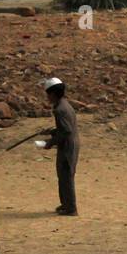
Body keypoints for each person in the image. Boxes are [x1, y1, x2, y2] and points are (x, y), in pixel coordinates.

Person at [38, 77, 79, 216]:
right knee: (63, 176)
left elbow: (66, 131)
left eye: (48, 94)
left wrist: (50, 142)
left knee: (66, 177)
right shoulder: (64, 104)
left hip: (67, 146)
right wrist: (51, 132)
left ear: (53, 94)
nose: (47, 97)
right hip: (70, 144)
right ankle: (66, 204)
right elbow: (65, 129)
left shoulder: (59, 110)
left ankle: (71, 208)